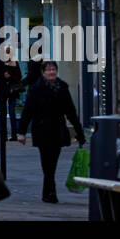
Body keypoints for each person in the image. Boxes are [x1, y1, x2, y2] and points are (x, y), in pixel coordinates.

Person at [18, 60, 85, 203]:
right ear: (43, 73)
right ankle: (50, 192)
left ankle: (48, 191)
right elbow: (27, 111)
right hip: (42, 130)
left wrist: (79, 131)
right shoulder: (36, 89)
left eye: (53, 69)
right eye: (48, 70)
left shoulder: (62, 88)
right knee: (47, 161)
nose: (51, 72)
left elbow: (71, 112)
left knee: (52, 161)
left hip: (58, 129)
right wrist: (21, 132)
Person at [0, 51, 24, 139]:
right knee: (5, 112)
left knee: (9, 112)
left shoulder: (12, 62)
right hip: (4, 90)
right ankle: (6, 134)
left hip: (11, 90)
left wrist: (9, 76)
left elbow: (19, 76)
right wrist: (3, 76)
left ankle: (11, 134)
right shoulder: (1, 63)